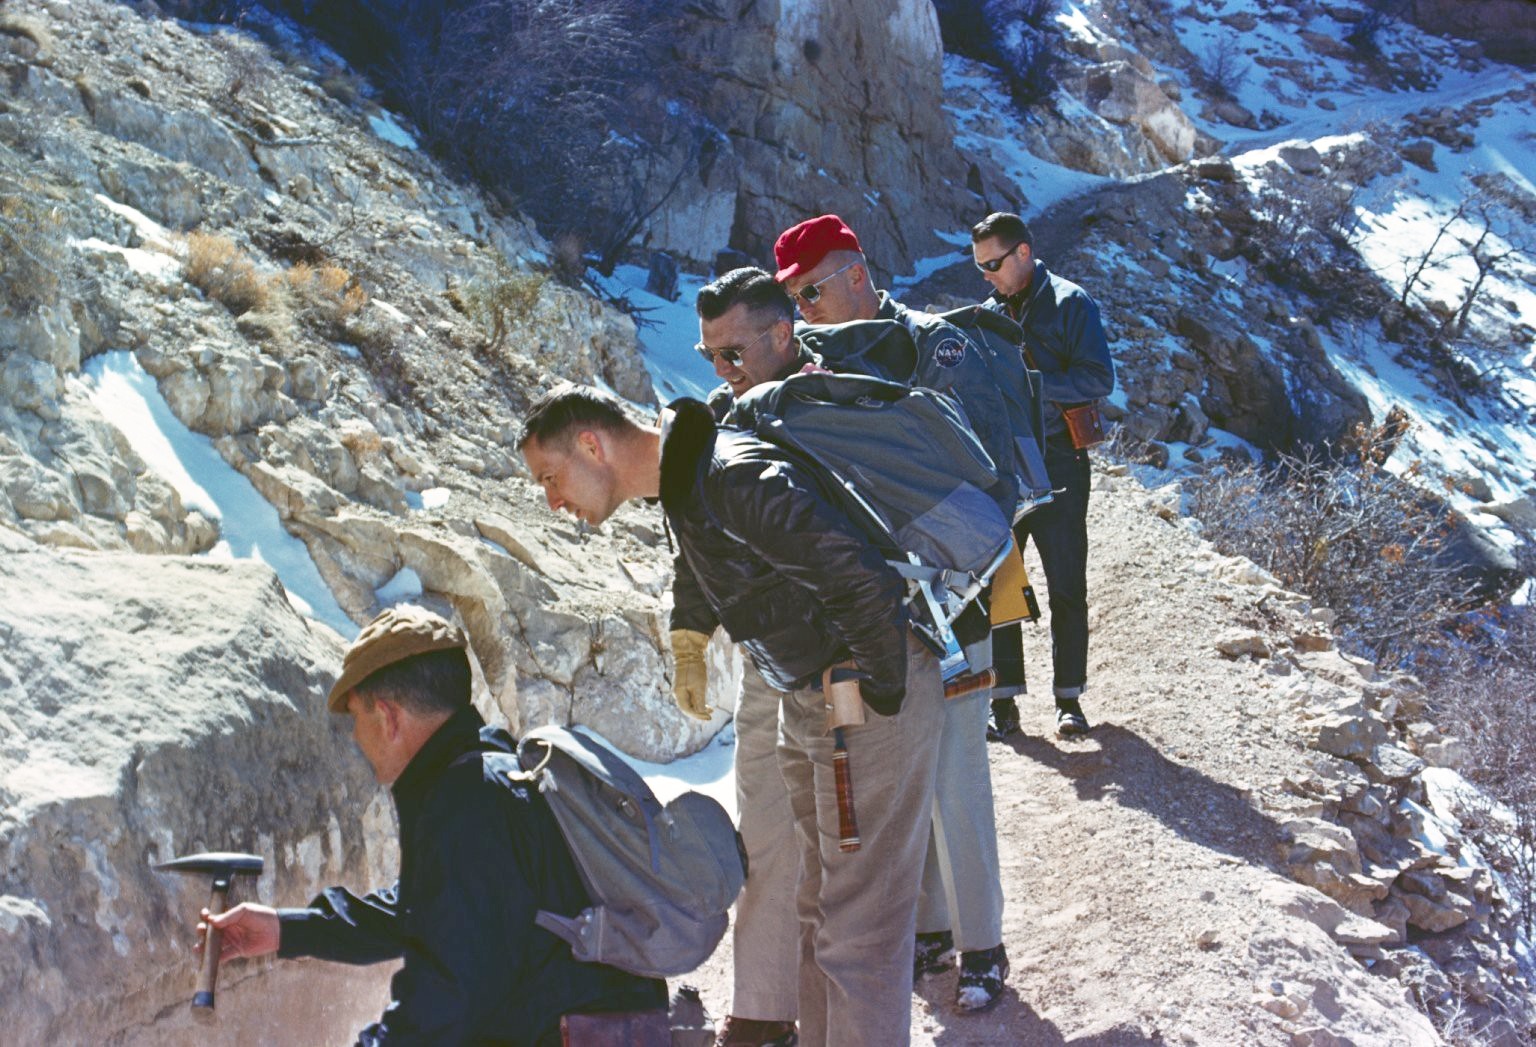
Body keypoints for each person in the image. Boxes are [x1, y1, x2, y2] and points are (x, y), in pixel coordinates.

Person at [519, 385, 944, 1047]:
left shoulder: (730, 474)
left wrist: (877, 703)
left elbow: (863, 583)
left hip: (857, 695)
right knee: (819, 911)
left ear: (592, 446)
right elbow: (706, 559)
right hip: (812, 694)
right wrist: (692, 631)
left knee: (859, 931)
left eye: (550, 477)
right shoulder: (687, 482)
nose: (552, 500)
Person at [198, 606, 667, 1045]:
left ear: (386, 716)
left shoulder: (467, 807)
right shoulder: (492, 772)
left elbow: (440, 1005)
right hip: (608, 1023)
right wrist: (288, 930)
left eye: (356, 719)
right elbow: (430, 911)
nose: (357, 740)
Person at [773, 215, 1009, 1012]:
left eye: (811, 290)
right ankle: (933, 928)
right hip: (879, 615)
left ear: (856, 275)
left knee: (956, 773)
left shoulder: (935, 349)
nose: (803, 311)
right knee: (903, 780)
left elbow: (993, 480)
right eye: (792, 299)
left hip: (960, 604)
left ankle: (984, 945)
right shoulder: (811, 372)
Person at [671, 268, 813, 1047]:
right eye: (710, 356)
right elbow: (694, 539)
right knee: (763, 825)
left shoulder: (837, 403)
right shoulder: (722, 418)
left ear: (782, 334)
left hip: (851, 658)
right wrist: (690, 631)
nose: (722, 372)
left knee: (846, 843)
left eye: (734, 353)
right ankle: (762, 1009)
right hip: (767, 653)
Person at [971, 211, 1116, 740]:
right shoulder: (986, 314)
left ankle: (1069, 701)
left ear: (1024, 253)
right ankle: (1003, 704)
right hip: (1004, 468)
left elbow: (1099, 377)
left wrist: (1029, 381)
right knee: (1001, 584)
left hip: (1059, 462)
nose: (985, 276)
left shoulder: (1072, 303)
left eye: (992, 264)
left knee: (1065, 582)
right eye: (980, 266)